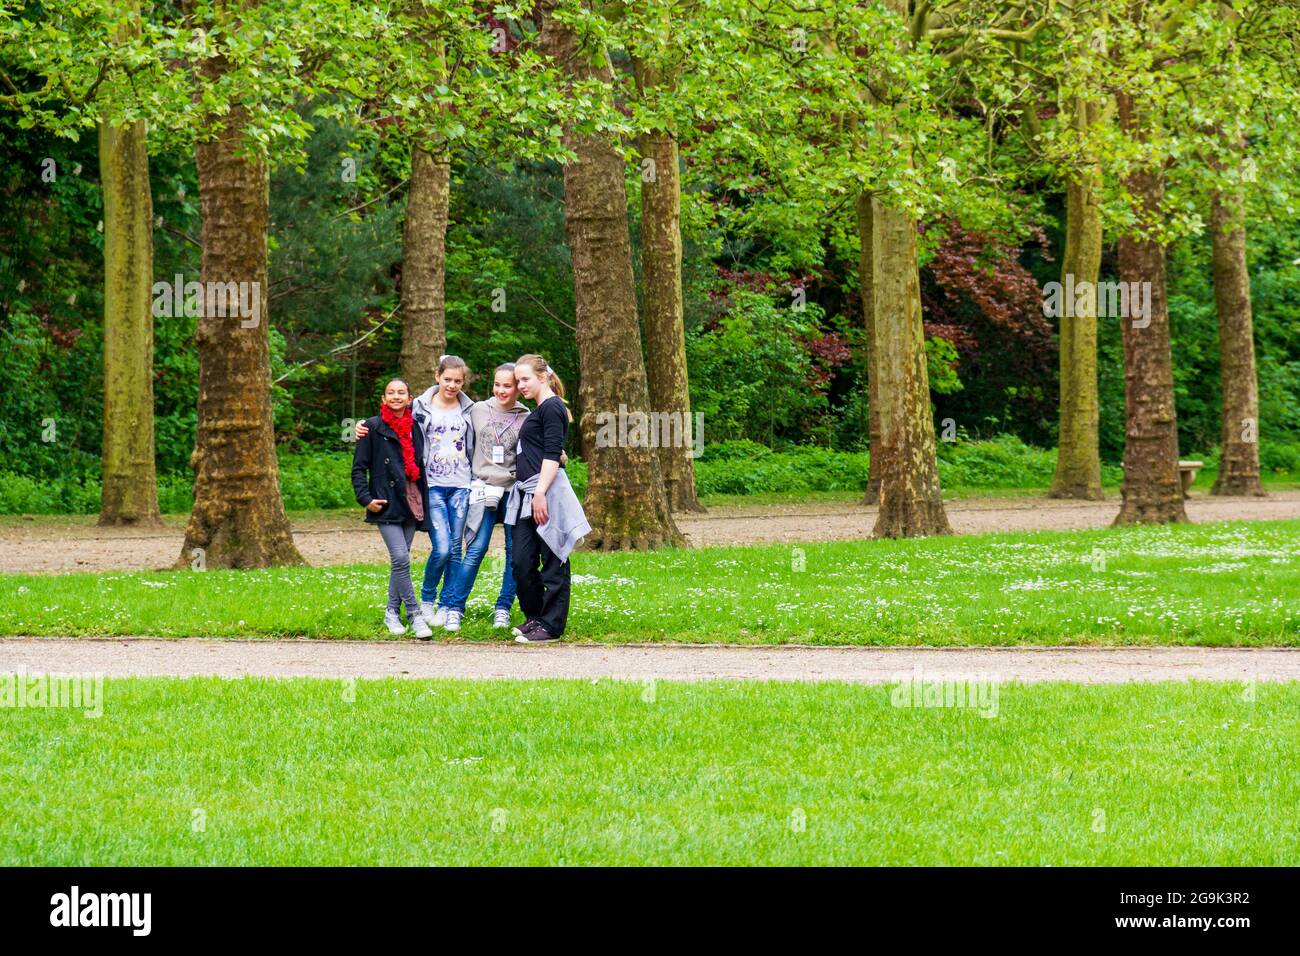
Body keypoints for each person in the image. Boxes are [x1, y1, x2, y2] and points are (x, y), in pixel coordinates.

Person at [505, 354, 590, 644]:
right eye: (518, 380)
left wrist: (540, 493)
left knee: (553, 558)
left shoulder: (552, 407)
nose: (520, 385)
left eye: (525, 379)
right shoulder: (540, 410)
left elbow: (553, 454)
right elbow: (551, 449)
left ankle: (551, 626)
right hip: (527, 493)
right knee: (521, 561)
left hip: (545, 492)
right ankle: (535, 617)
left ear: (542, 377)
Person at [438, 363, 530, 630]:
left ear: (517, 388)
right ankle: (455, 606)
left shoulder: (526, 416)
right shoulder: (476, 409)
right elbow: (437, 405)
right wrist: (369, 426)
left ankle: (503, 607)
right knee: (475, 549)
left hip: (513, 491)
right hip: (482, 487)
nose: (501, 390)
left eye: (508, 385)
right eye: (497, 384)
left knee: (515, 554)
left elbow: (543, 441)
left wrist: (558, 453)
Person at [350, 378, 433, 638]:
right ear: (384, 399)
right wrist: (365, 499)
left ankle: (390, 613)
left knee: (401, 563)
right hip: (385, 503)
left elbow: (419, 465)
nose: (396, 397)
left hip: (411, 500)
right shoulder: (371, 427)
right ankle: (415, 615)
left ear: (409, 399)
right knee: (400, 558)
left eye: (401, 393)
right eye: (391, 393)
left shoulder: (415, 427)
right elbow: (358, 468)